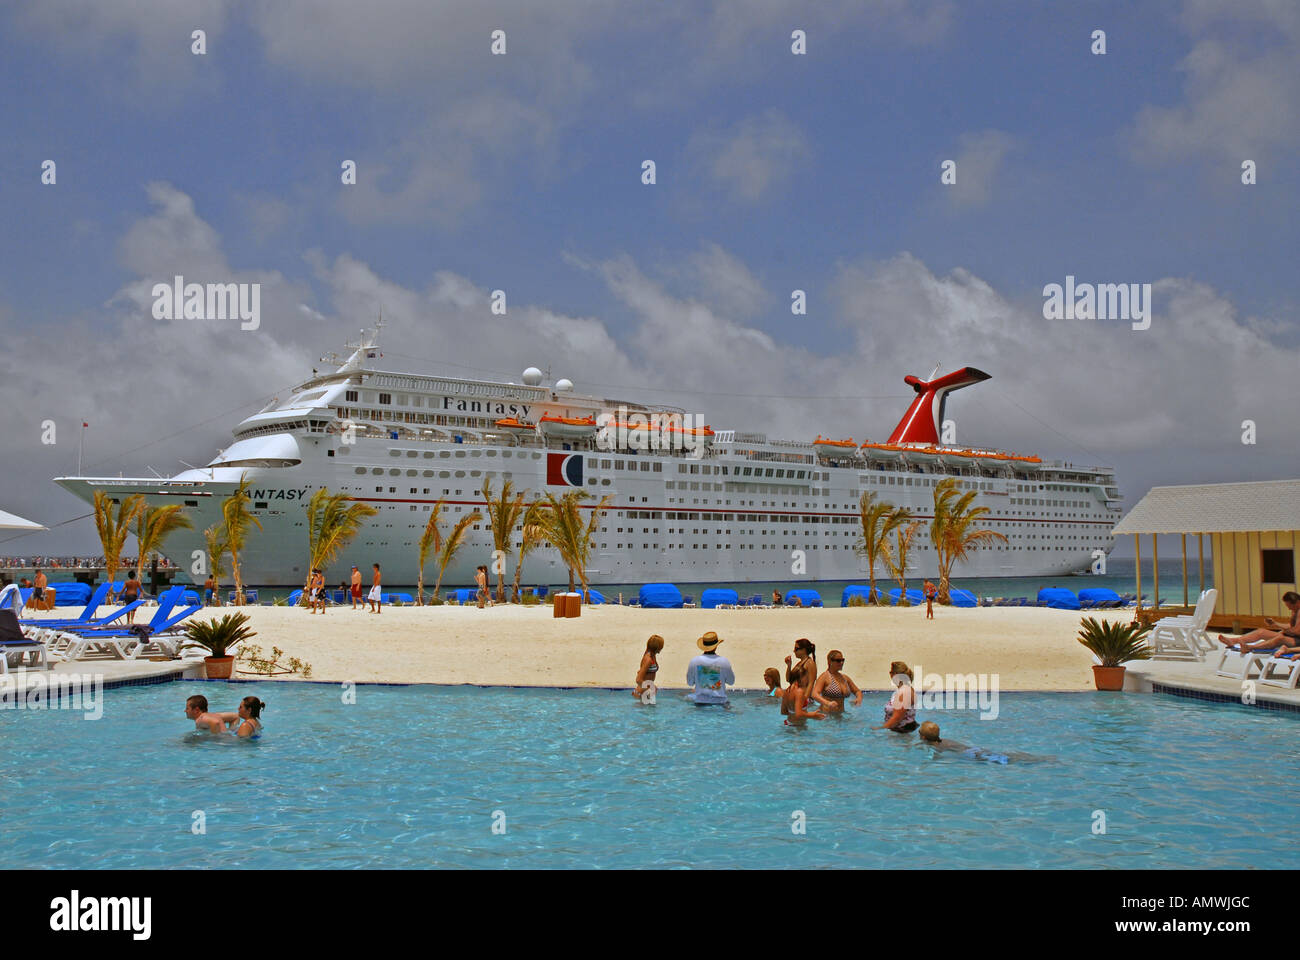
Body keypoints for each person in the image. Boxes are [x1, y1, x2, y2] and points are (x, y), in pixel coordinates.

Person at [1217, 591, 1300, 653]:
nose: (1289, 609)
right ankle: (1234, 641)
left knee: (1280, 638)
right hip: (1293, 638)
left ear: (1297, 602)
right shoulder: (1295, 610)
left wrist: (1284, 631)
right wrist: (1275, 623)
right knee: (1261, 632)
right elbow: (1291, 626)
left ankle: (1250, 647)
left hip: (1297, 642)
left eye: (1290, 606)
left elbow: (1297, 631)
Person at [919, 722, 1029, 764]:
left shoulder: (936, 748)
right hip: (974, 750)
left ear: (923, 737)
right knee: (1006, 757)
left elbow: (934, 758)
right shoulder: (944, 740)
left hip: (971, 755)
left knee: (1005, 761)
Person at [685, 631, 735, 705]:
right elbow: (731, 682)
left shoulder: (694, 661)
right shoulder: (724, 661)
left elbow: (690, 683)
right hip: (720, 703)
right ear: (716, 646)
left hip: (700, 704)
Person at [812, 650, 863, 714]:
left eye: (842, 660)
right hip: (826, 715)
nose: (841, 663)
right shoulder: (825, 677)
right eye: (838, 661)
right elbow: (814, 694)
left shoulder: (845, 678)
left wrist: (858, 698)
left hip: (840, 714)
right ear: (830, 661)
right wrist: (828, 703)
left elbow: (857, 691)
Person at [874, 660, 918, 733]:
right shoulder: (904, 689)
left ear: (895, 675)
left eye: (891, 672)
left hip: (902, 732)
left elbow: (897, 718)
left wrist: (879, 729)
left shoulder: (904, 692)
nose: (889, 674)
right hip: (902, 730)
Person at [784, 638, 817, 703]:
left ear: (804, 650)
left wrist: (805, 700)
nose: (794, 651)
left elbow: (811, 683)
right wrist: (789, 665)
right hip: (795, 698)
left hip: (802, 698)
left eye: (796, 649)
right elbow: (788, 679)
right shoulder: (800, 663)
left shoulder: (810, 663)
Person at [634, 634, 664, 700]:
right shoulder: (648, 659)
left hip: (645, 693)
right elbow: (638, 680)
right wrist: (650, 687)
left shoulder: (653, 656)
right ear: (657, 647)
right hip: (642, 693)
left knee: (650, 709)